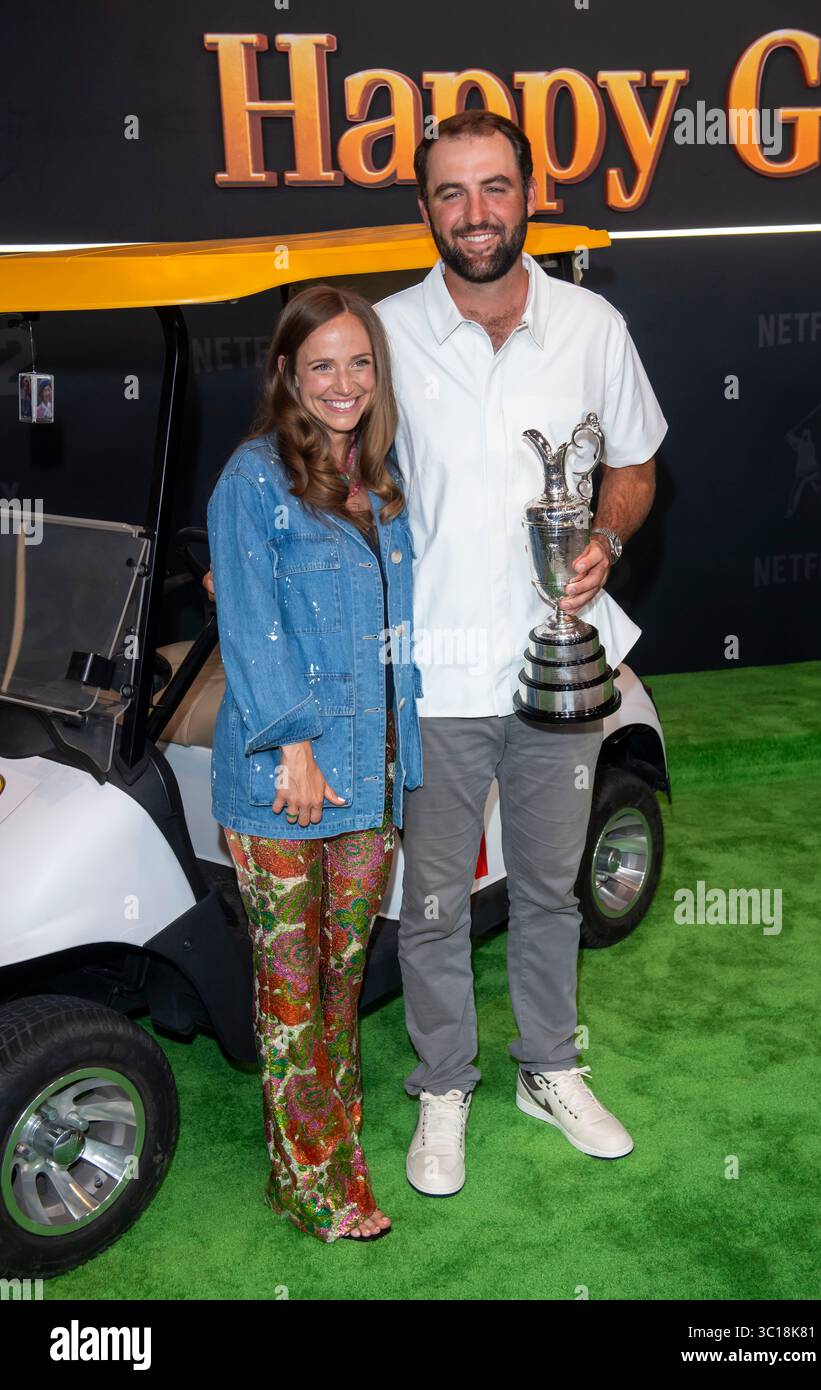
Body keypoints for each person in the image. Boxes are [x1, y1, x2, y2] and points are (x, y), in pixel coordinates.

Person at [372, 111, 668, 1195]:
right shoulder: (384, 333)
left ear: (525, 196)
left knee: (547, 885)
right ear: (423, 211)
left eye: (492, 187)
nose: (474, 213)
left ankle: (547, 1064)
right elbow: (338, 472)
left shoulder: (590, 324)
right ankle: (441, 1083)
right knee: (436, 899)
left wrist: (604, 536)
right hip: (436, 666)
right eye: (450, 193)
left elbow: (633, 463)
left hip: (562, 661)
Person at [207, 285, 423, 1241]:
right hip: (282, 782)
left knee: (343, 983)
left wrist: (400, 754)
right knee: (291, 992)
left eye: (360, 362)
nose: (344, 382)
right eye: (322, 364)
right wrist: (292, 744)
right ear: (289, 374)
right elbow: (246, 621)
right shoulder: (253, 479)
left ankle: (342, 1155)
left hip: (367, 776)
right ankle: (316, 1187)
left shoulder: (382, 481)